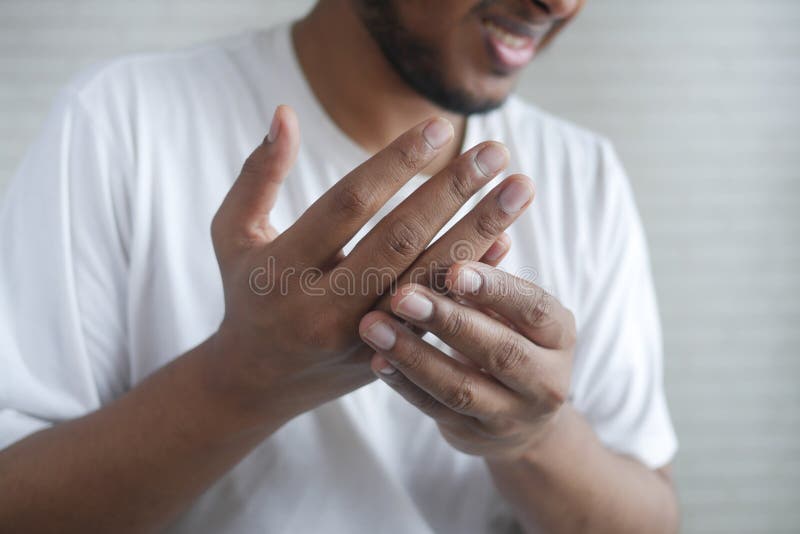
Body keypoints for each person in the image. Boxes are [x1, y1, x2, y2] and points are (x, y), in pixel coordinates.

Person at [0, 0, 680, 532]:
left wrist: (533, 437)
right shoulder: (120, 122)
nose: (559, 4)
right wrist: (244, 379)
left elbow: (653, 517)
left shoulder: (584, 176)